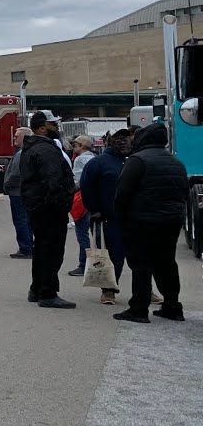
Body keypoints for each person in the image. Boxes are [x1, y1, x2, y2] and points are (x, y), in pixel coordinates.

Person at [111, 123, 188, 323]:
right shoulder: (176, 162)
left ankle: (138, 309)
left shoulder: (137, 161)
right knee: (167, 263)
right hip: (171, 221)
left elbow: (123, 194)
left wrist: (121, 219)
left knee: (140, 265)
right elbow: (183, 193)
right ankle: (172, 306)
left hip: (142, 221)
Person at [19, 110, 76, 308]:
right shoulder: (46, 149)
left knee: (41, 249)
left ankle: (37, 289)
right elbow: (53, 181)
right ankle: (48, 293)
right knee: (51, 251)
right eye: (53, 124)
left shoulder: (33, 147)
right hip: (49, 209)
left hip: (38, 207)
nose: (57, 127)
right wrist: (62, 204)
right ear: (42, 127)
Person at [80, 128, 135, 305]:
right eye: (118, 138)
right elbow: (86, 187)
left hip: (135, 218)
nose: (123, 142)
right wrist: (94, 209)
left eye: (126, 138)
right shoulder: (98, 163)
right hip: (108, 219)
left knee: (140, 257)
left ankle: (145, 291)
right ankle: (109, 290)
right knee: (113, 257)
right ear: (109, 141)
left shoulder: (136, 161)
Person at [67, 135, 95, 277]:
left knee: (82, 234)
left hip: (82, 200)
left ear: (82, 146)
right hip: (95, 200)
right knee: (96, 234)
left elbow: (78, 182)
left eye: (75, 145)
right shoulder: (95, 158)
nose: (73, 147)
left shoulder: (80, 160)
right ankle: (98, 263)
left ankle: (83, 264)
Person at [3, 127, 34, 259]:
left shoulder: (21, 154)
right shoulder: (28, 152)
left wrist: (6, 185)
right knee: (26, 220)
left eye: (17, 136)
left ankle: (25, 249)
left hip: (17, 192)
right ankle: (29, 246)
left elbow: (15, 173)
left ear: (25, 138)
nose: (14, 138)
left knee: (20, 220)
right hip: (25, 191)